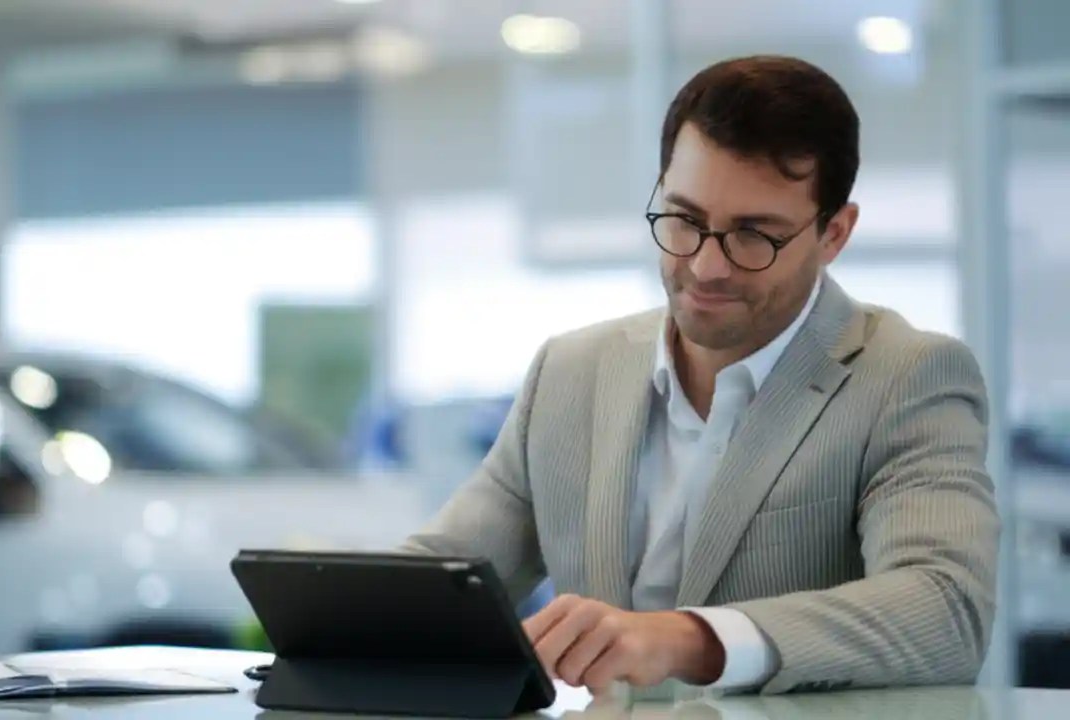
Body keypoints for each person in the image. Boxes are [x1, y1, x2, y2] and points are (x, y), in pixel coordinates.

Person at [402, 55, 999, 695]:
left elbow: (945, 612)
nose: (708, 266)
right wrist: (321, 602)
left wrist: (688, 639)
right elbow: (441, 583)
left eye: (754, 235)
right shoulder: (570, 373)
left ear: (834, 233)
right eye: (684, 220)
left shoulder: (908, 376)